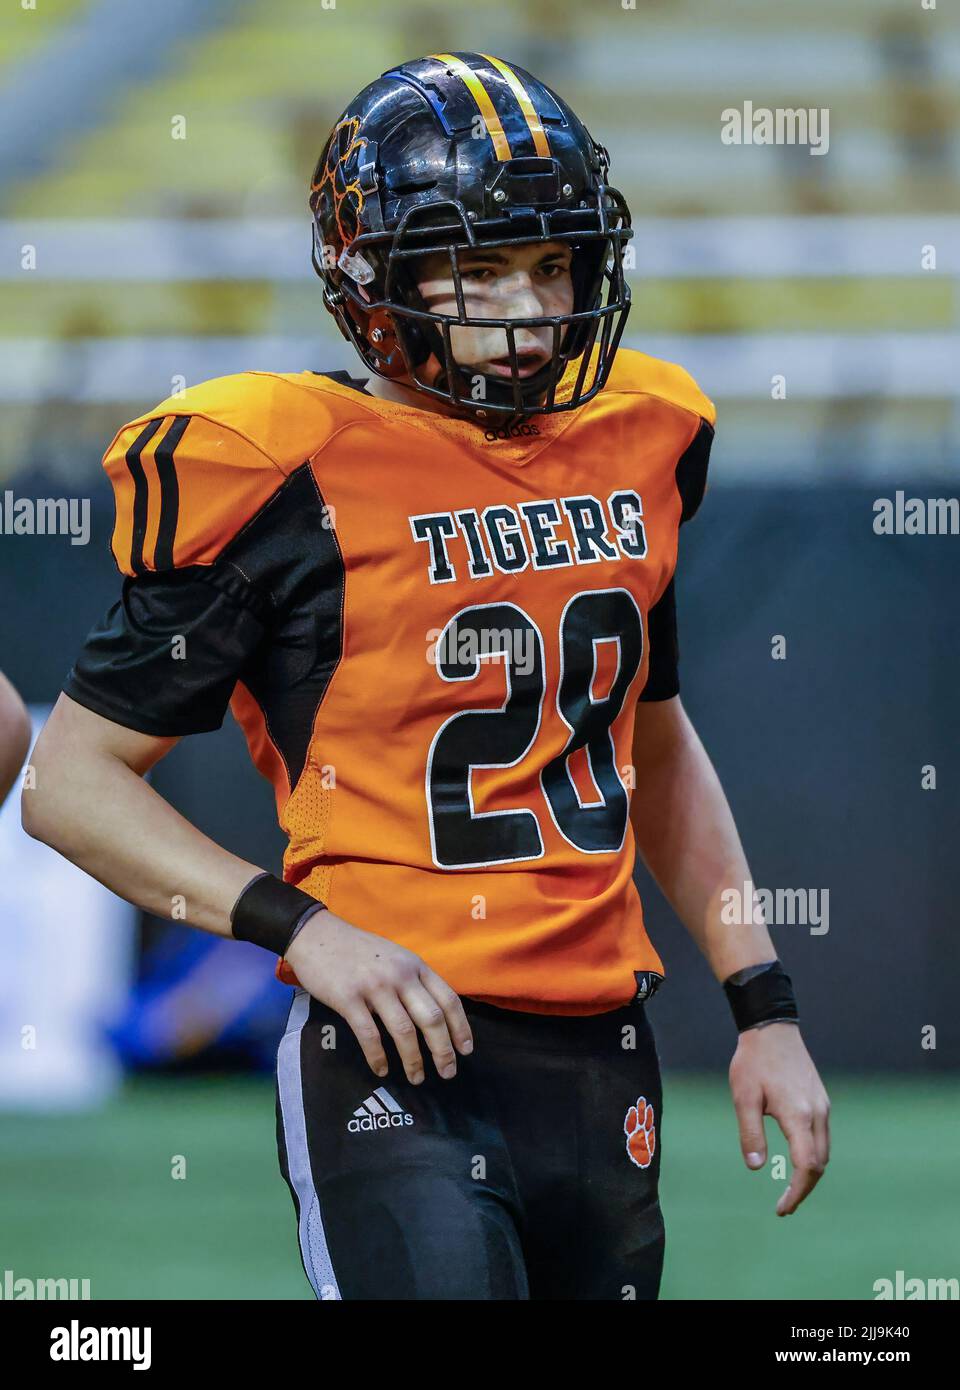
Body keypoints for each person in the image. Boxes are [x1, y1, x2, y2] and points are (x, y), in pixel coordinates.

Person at [23, 52, 829, 1301]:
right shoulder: (283, 469)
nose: (531, 308)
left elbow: (652, 743)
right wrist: (305, 932)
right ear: (376, 282)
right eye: (481, 266)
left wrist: (762, 1004)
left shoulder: (643, 435)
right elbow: (67, 783)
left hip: (603, 1056)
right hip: (390, 1051)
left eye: (551, 264)